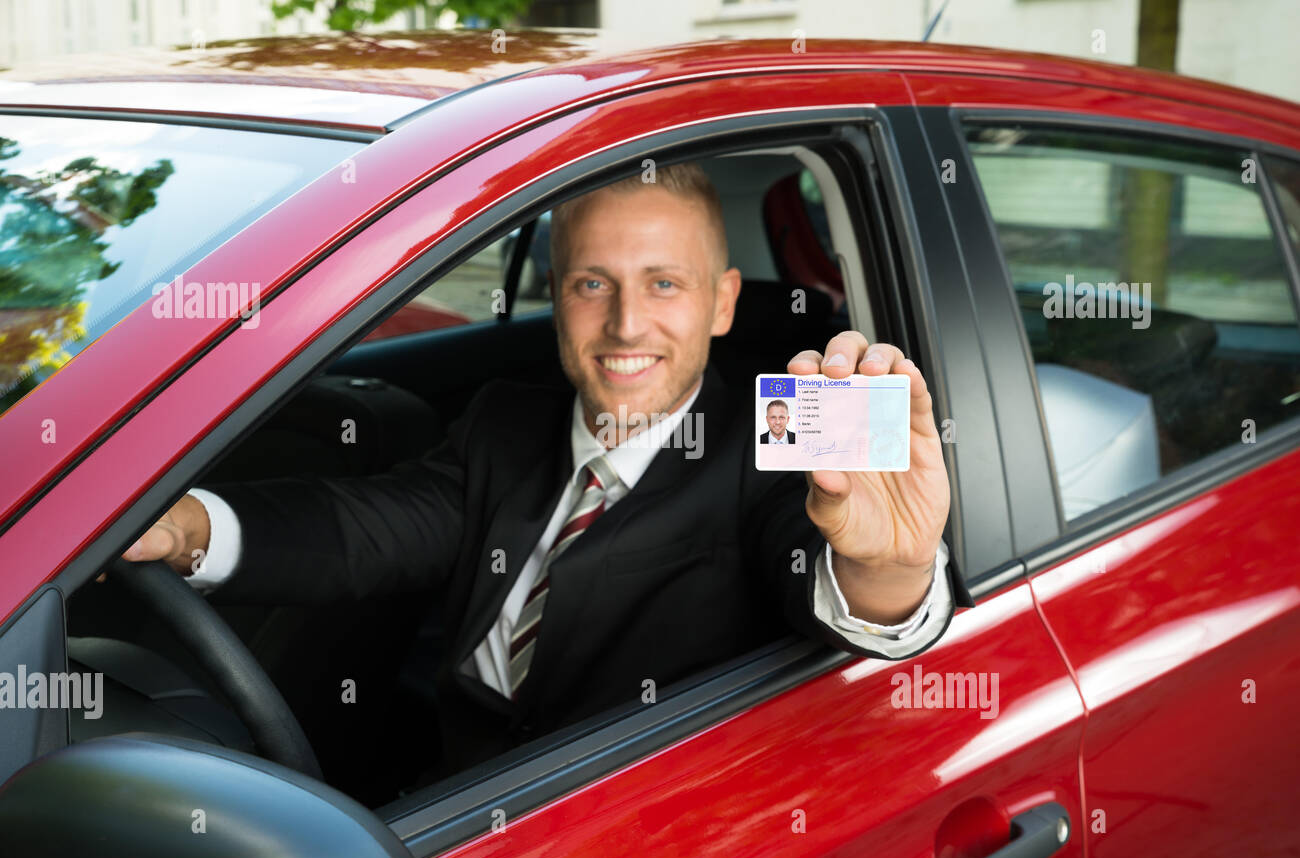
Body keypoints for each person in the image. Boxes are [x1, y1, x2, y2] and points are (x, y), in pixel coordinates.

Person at [123, 162, 973, 775]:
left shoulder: (777, 443)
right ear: (555, 296)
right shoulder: (503, 421)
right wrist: (188, 525)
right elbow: (367, 525)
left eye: (665, 283)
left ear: (722, 303)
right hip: (446, 776)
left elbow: (838, 583)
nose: (627, 322)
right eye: (593, 284)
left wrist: (887, 566)